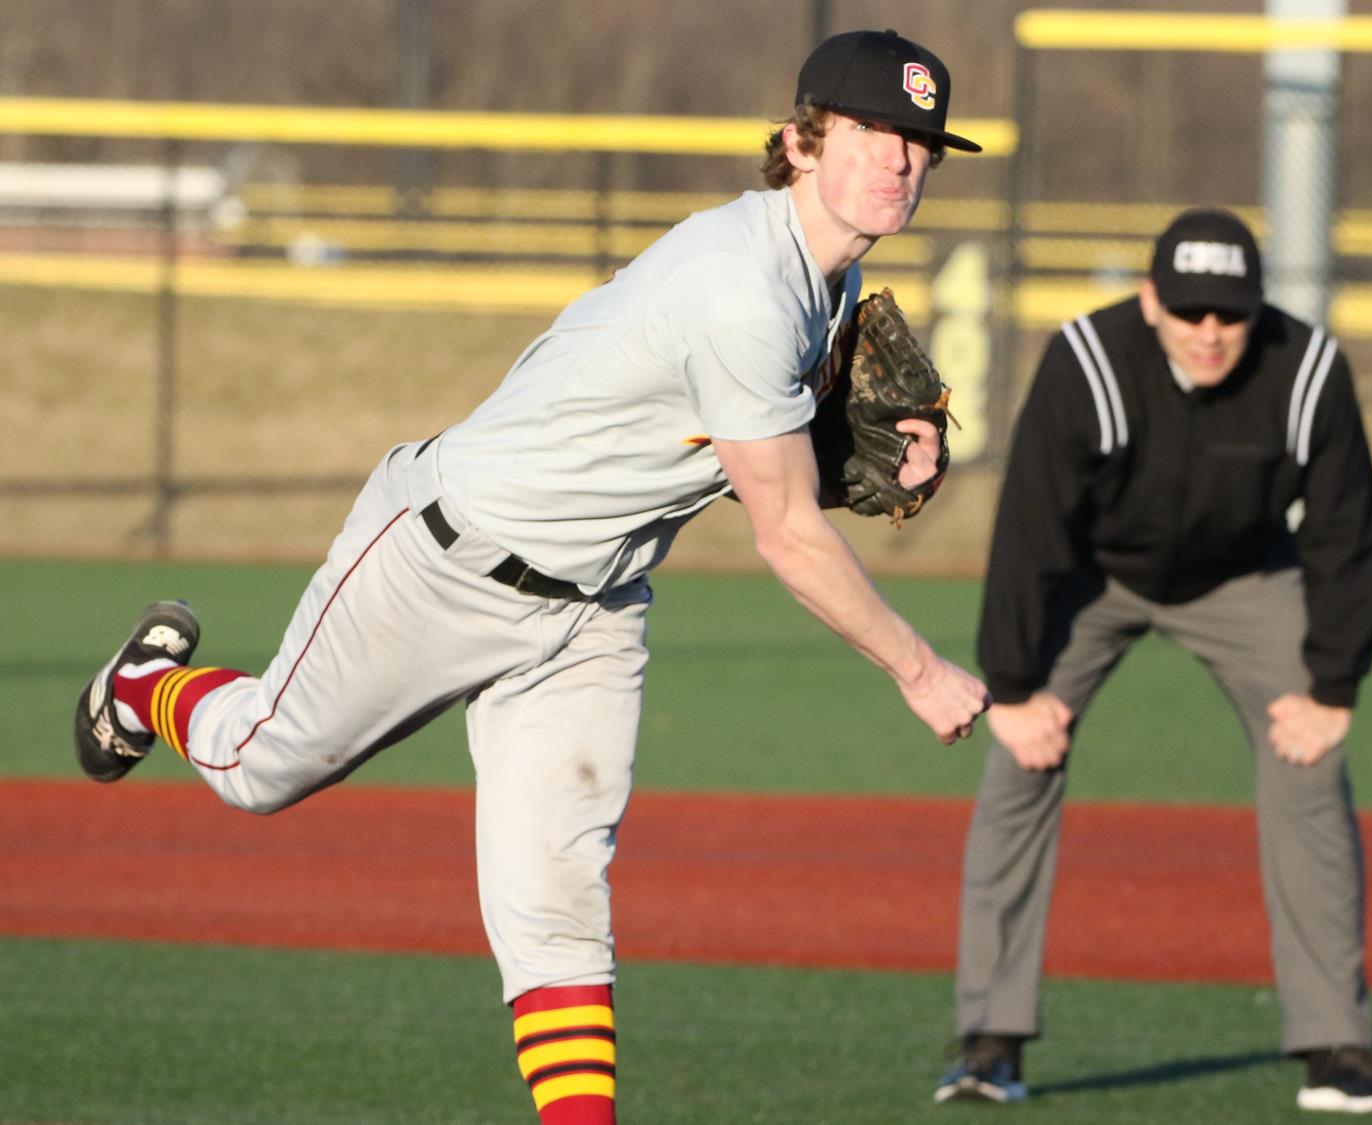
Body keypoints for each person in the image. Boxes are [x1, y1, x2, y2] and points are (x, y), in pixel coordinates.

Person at [71, 29, 990, 1125]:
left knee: (559, 902)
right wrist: (917, 668)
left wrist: (848, 460)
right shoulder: (742, 288)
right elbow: (785, 533)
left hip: (595, 604)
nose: (900, 161)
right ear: (799, 142)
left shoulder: (822, 281)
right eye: (873, 133)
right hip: (445, 559)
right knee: (261, 764)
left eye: (921, 143)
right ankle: (141, 686)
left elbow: (736, 458)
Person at [935, 210, 1372, 1115]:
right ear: (1151, 300)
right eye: (1190, 309)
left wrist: (1332, 684)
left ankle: (1336, 1047)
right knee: (1020, 760)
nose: (1210, 332)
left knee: (1309, 763)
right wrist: (1011, 687)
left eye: (1230, 313)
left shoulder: (1308, 369)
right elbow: (1031, 525)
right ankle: (989, 1042)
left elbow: (1349, 528)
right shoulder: (1086, 359)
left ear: (1258, 307)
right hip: (1095, 572)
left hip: (1244, 574)